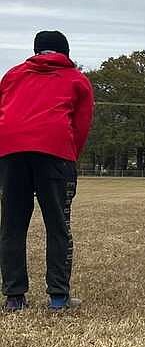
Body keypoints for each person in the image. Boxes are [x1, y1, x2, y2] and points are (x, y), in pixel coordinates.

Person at [0, 31, 94, 312]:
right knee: (58, 224)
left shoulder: (13, 75)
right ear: (65, 53)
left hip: (10, 149)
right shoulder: (76, 79)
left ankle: (14, 297)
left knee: (12, 225)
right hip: (54, 149)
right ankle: (58, 298)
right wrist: (69, 156)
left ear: (36, 50)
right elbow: (81, 125)